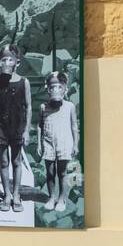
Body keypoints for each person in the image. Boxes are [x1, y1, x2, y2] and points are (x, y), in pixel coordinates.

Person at [0, 44, 31, 213]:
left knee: (16, 161)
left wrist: (27, 130)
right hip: (1, 127)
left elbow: (28, 107)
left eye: (10, 59)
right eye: (4, 59)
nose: (7, 62)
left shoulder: (24, 82)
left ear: (17, 62)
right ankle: (7, 195)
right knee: (4, 161)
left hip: (17, 126)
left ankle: (17, 194)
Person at [39, 71, 79, 212]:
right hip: (48, 143)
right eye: (52, 87)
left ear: (65, 89)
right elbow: (40, 126)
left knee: (62, 173)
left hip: (65, 143)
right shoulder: (44, 107)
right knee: (50, 172)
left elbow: (74, 127)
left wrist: (75, 144)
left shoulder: (69, 107)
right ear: (48, 89)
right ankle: (52, 197)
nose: (56, 90)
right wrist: (39, 144)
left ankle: (62, 199)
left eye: (59, 87)